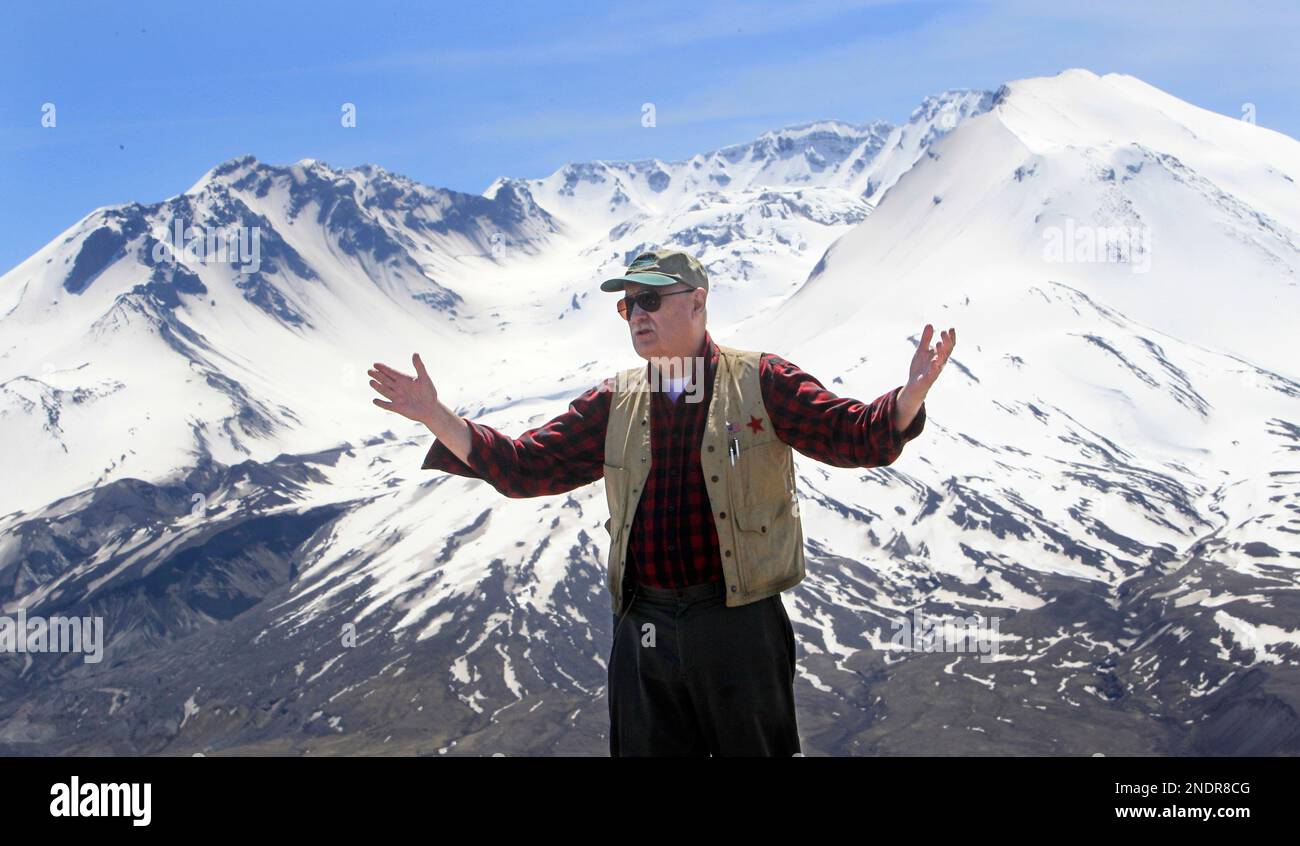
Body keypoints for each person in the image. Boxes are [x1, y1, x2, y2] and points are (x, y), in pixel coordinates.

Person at [368, 248, 956, 756]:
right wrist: (436, 418)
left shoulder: (762, 378)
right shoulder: (615, 400)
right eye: (628, 305)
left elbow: (847, 433)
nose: (636, 315)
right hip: (642, 626)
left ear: (697, 304)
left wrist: (906, 400)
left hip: (738, 621)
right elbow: (527, 467)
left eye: (650, 299)